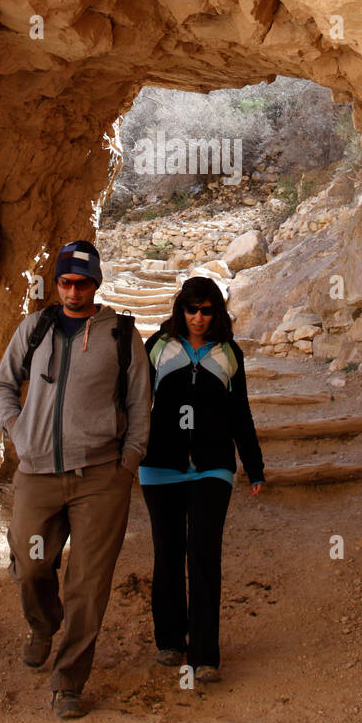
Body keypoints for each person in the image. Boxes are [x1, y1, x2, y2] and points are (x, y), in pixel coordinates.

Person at [0, 240, 150, 719]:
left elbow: (141, 405)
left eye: (82, 283)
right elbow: (4, 384)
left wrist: (129, 462)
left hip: (101, 477)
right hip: (38, 473)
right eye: (65, 282)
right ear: (57, 283)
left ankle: (69, 681)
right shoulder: (35, 327)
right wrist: (17, 431)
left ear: (96, 284)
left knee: (88, 583)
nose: (73, 291)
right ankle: (43, 624)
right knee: (31, 563)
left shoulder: (121, 335)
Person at [140, 276, 264, 682]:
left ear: (217, 312)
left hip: (212, 466)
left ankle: (205, 655)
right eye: (191, 309)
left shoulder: (229, 354)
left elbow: (240, 413)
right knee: (168, 554)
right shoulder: (158, 347)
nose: (197, 318)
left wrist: (254, 466)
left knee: (204, 554)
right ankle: (171, 641)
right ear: (181, 310)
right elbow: (135, 403)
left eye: (206, 310)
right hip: (160, 465)